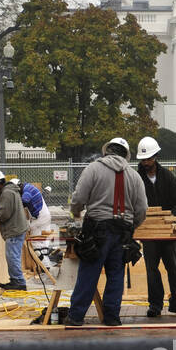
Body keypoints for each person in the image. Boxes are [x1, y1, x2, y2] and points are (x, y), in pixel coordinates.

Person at [66, 137, 147, 327]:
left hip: (97, 230)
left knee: (89, 273)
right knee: (116, 274)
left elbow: (79, 197)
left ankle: (76, 317)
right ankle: (111, 317)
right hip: (123, 233)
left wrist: (76, 213)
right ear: (126, 154)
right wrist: (132, 225)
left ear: (107, 151)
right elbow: (142, 208)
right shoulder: (134, 176)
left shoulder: (93, 169)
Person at [136, 136, 176, 317]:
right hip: (148, 233)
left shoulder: (167, 177)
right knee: (152, 270)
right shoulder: (137, 179)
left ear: (155, 157)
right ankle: (155, 305)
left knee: (173, 268)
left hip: (168, 232)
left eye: (149, 159)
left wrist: (171, 218)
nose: (146, 162)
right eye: (143, 159)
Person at [0, 170, 28, 290]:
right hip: (17, 228)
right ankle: (15, 280)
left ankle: (18, 282)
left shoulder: (7, 193)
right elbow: (7, 208)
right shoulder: (10, 191)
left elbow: (5, 213)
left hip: (14, 229)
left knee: (12, 257)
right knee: (13, 256)